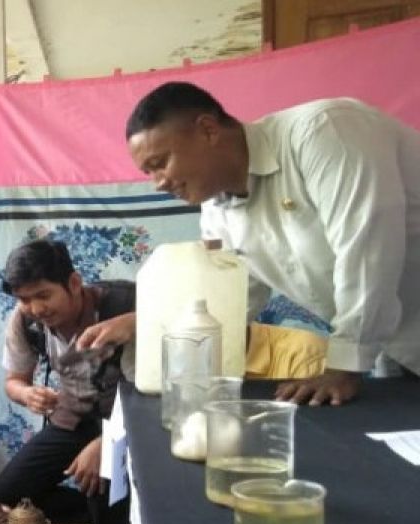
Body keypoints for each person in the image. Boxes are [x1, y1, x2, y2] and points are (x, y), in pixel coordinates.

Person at [125, 81, 420, 405]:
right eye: (148, 173)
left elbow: (367, 253)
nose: (159, 184)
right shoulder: (216, 212)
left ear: (208, 130)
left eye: (160, 163)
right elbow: (230, 299)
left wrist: (342, 367)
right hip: (397, 346)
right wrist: (150, 326)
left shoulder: (325, 132)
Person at [0, 239, 136, 524]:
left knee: (104, 473)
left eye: (43, 295)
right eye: (24, 299)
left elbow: (153, 391)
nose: (35, 308)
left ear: (73, 283)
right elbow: (13, 381)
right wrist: (27, 395)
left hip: (129, 415)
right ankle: (105, 518)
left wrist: (107, 441)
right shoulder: (25, 321)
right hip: (71, 414)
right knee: (9, 491)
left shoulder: (126, 308)